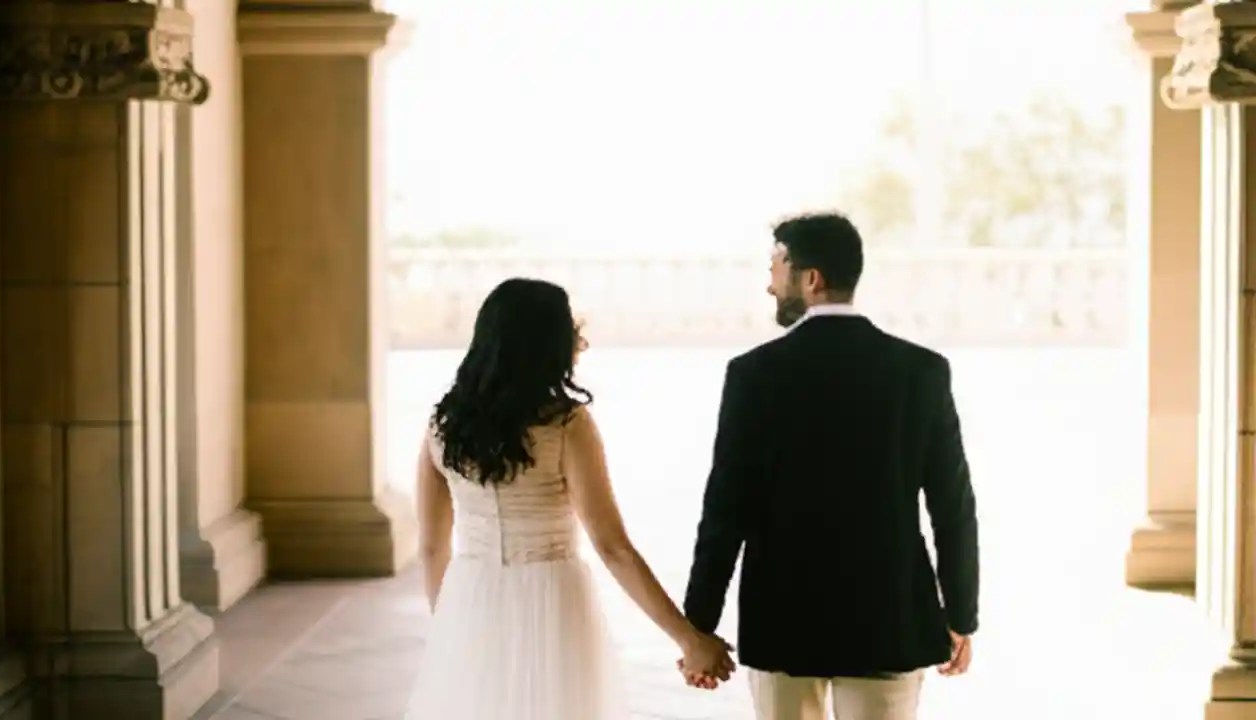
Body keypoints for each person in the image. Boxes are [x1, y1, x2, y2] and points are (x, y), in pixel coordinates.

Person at [682, 213, 980, 720]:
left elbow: (725, 510)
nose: (769, 282)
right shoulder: (921, 372)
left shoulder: (754, 374)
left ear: (810, 278)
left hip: (784, 616)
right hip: (888, 616)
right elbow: (953, 506)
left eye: (777, 266)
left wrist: (698, 627)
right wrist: (960, 614)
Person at [406, 278, 735, 720]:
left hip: (469, 595)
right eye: (570, 328)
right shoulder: (567, 425)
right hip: (552, 599)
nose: (580, 338)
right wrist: (689, 640)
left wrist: (447, 624)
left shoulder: (441, 426)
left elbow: (430, 547)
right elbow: (613, 547)